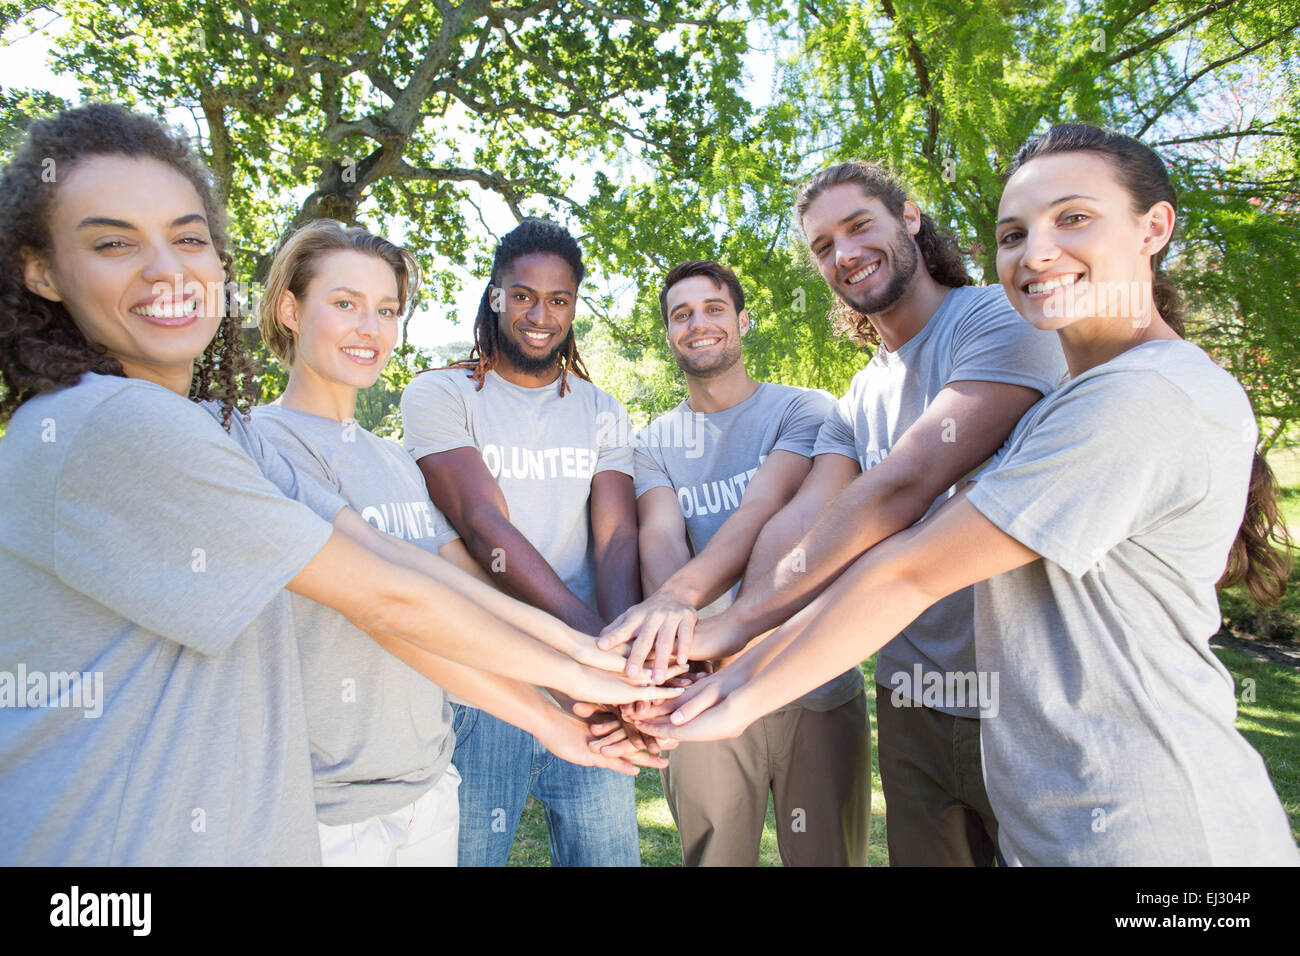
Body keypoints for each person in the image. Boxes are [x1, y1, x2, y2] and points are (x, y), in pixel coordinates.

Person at [0, 104, 672, 866]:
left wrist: (570, 695)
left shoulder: (204, 429)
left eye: (189, 238)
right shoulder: (132, 425)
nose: (166, 269)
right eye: (114, 242)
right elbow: (385, 601)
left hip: (361, 800)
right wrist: (596, 672)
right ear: (41, 269)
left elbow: (404, 573)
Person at [633, 123, 1300, 866]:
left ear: (1155, 227)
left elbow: (905, 526)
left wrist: (735, 652)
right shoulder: (916, 394)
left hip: (1145, 817)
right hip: (970, 728)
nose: (1039, 251)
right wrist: (721, 630)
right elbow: (805, 517)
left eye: (1074, 217)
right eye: (1015, 233)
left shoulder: (1069, 362)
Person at [607, 162, 1067, 865]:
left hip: (1023, 698)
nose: (844, 254)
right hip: (912, 696)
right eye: (823, 246)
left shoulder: (998, 321)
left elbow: (900, 487)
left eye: (858, 227)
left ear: (909, 218)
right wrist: (722, 653)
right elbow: (797, 528)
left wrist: (723, 632)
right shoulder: (857, 398)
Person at [401, 218, 655, 866]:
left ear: (574, 305)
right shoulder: (439, 393)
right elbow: (483, 523)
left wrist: (617, 650)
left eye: (559, 299)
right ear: (494, 295)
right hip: (487, 682)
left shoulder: (602, 409)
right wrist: (588, 658)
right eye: (522, 296)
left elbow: (618, 537)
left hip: (591, 677)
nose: (540, 314)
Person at [610, 259, 869, 866]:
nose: (698, 324)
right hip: (701, 690)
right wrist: (687, 655)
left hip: (811, 678)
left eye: (714, 308)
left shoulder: (804, 409)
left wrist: (693, 612)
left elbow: (765, 508)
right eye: (681, 314)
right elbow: (661, 540)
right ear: (669, 333)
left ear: (743, 321)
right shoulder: (652, 443)